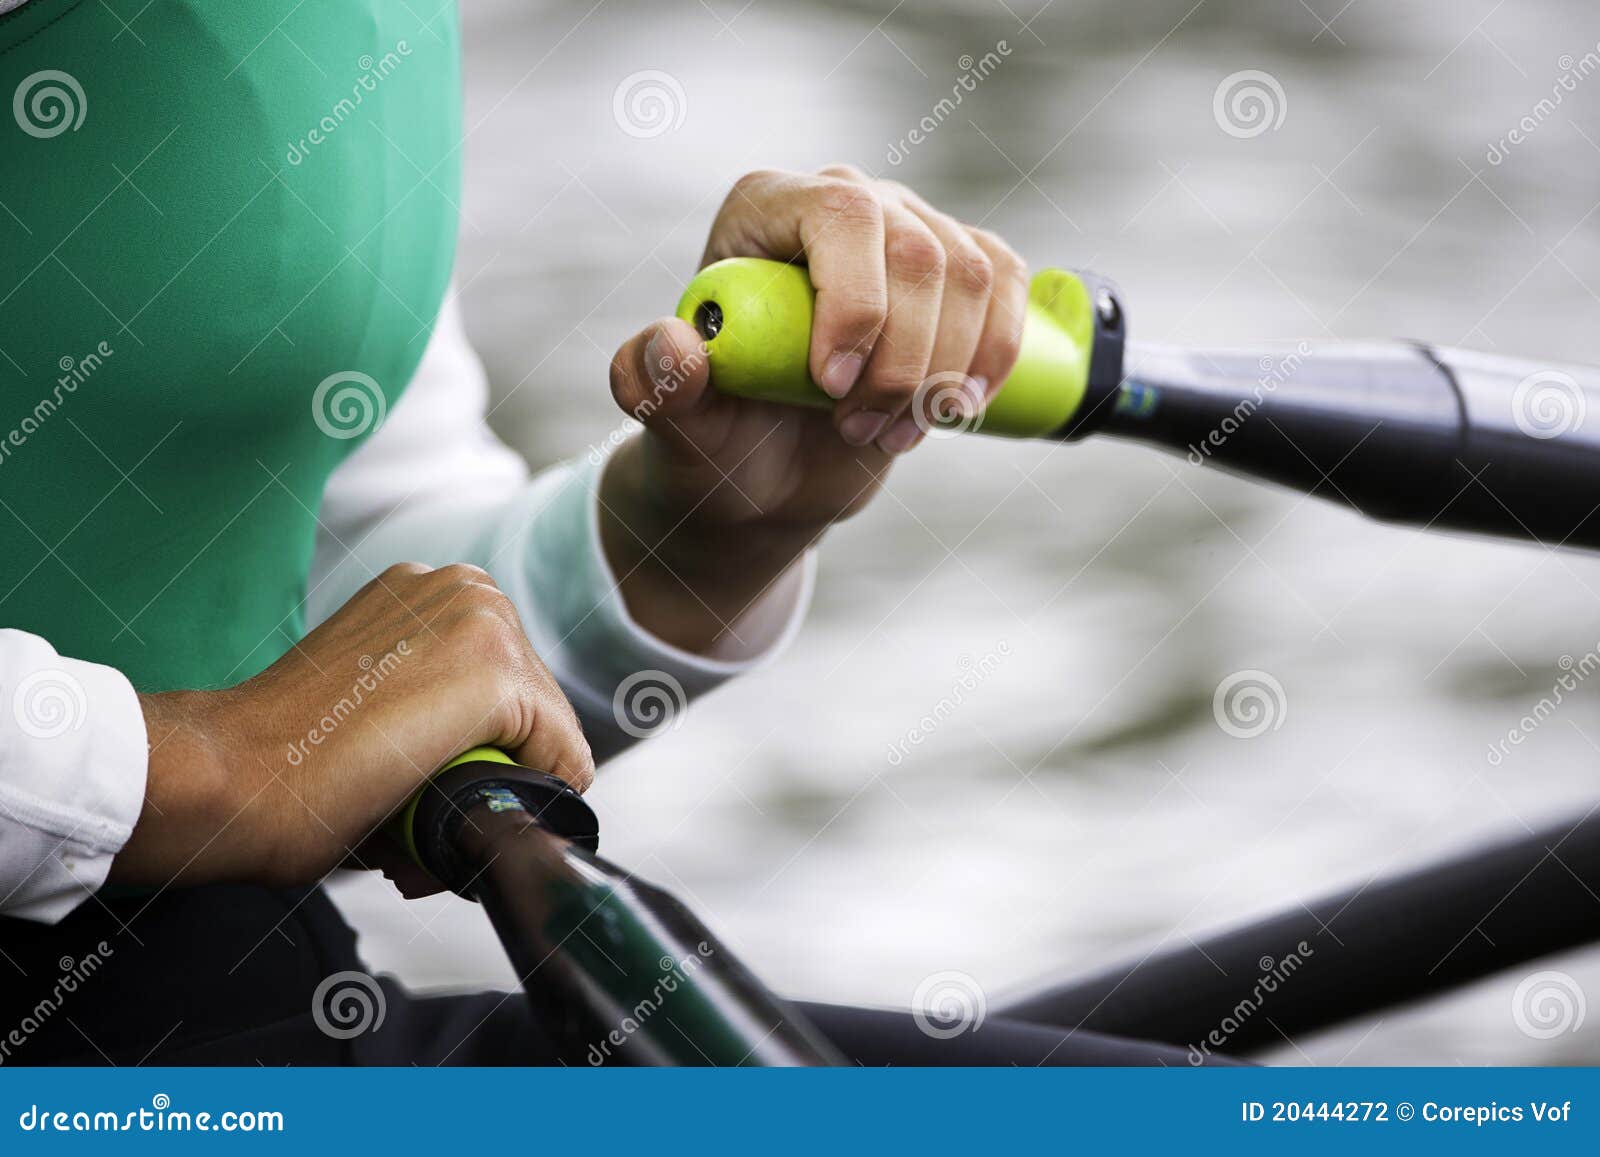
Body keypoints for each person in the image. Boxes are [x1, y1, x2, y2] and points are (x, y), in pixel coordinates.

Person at [0, 0, 1227, 1066]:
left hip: (219, 992)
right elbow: (256, 732)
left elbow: (330, 574)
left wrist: (686, 539)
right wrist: (200, 764)